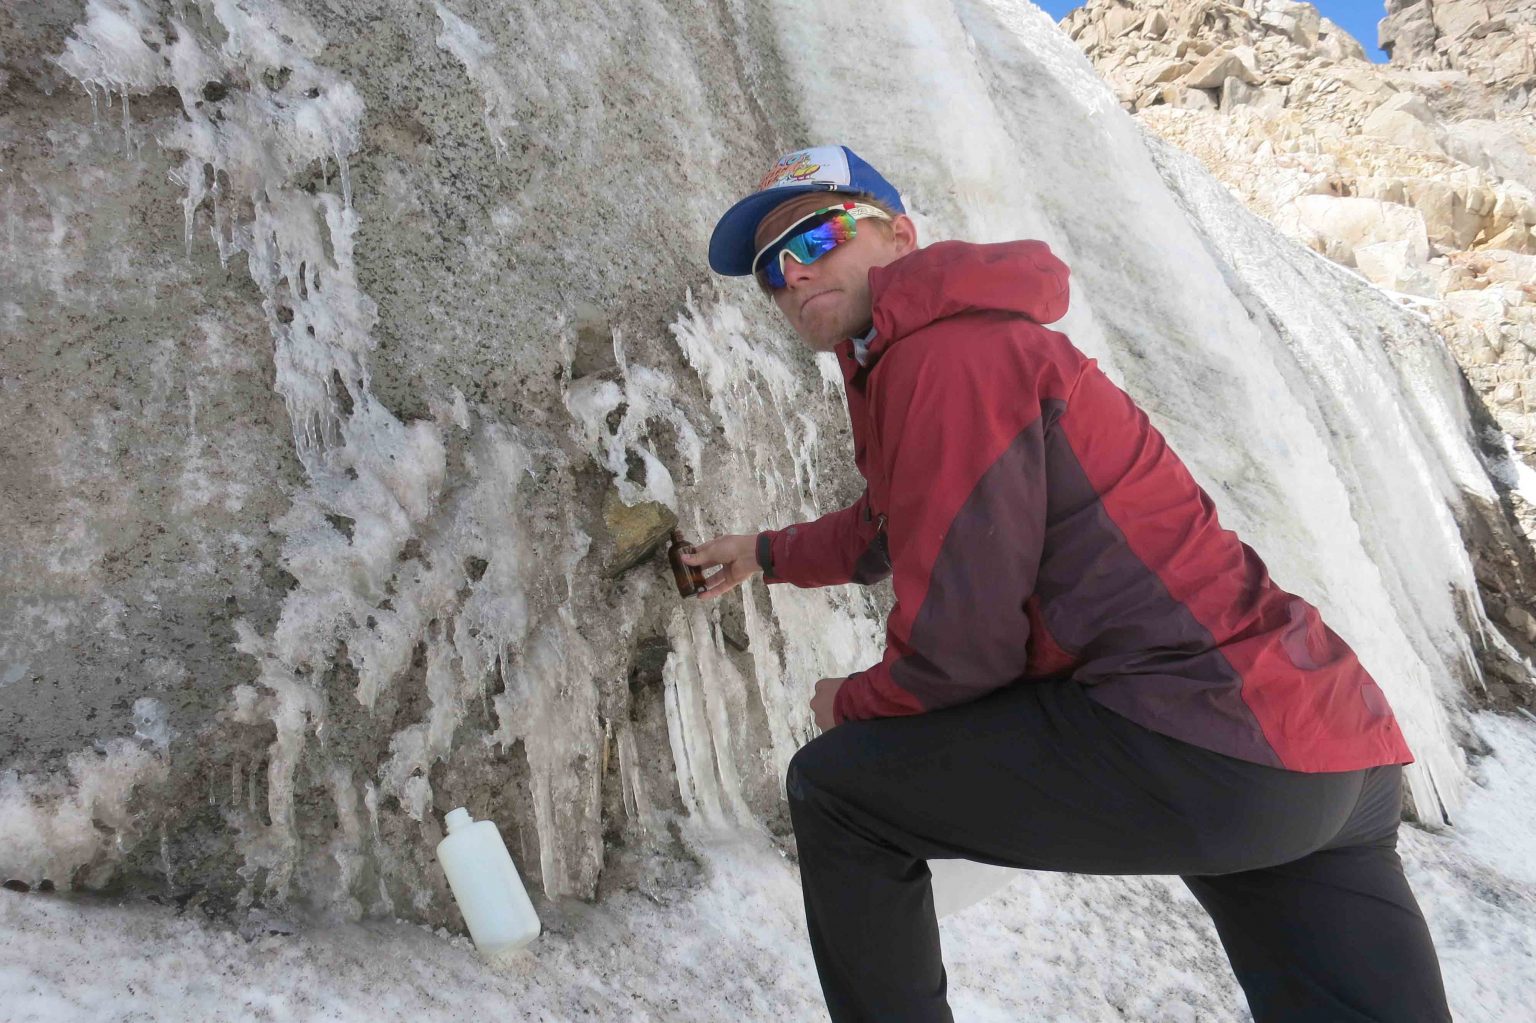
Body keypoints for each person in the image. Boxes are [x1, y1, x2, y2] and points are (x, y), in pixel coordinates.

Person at [682, 144, 1452, 1022]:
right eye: (769, 271)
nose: (793, 275)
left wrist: (850, 704)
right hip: (1328, 745)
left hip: (1208, 739)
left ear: (899, 234)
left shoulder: (944, 359)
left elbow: (960, 646)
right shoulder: (958, 347)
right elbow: (892, 523)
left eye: (817, 235)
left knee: (841, 791)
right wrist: (767, 552)